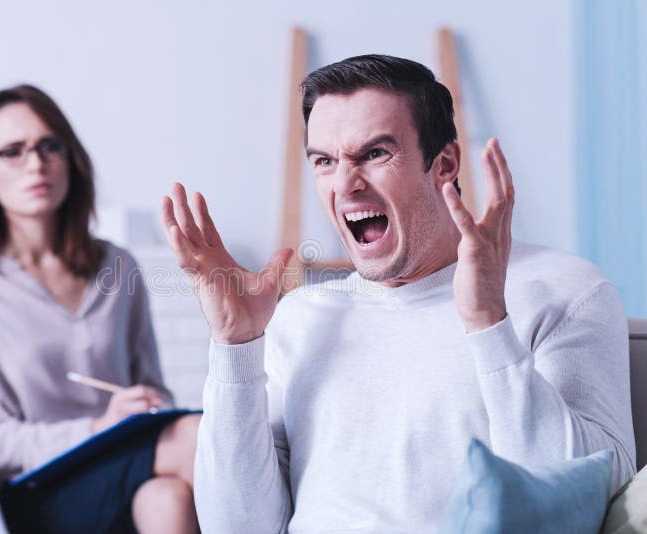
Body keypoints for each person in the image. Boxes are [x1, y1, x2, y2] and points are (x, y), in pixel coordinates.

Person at [160, 55, 637, 532]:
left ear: (445, 163)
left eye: (374, 154)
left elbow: (594, 491)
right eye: (325, 161)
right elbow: (239, 527)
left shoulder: (563, 290)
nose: (346, 184)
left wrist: (489, 322)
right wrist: (236, 345)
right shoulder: (301, 318)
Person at [0, 84, 200, 534]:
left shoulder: (117, 266)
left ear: (70, 158)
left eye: (49, 146)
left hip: (125, 469)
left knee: (168, 500)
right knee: (194, 437)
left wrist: (145, 407)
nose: (36, 163)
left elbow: (154, 388)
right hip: (36, 489)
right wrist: (97, 426)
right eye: (12, 151)